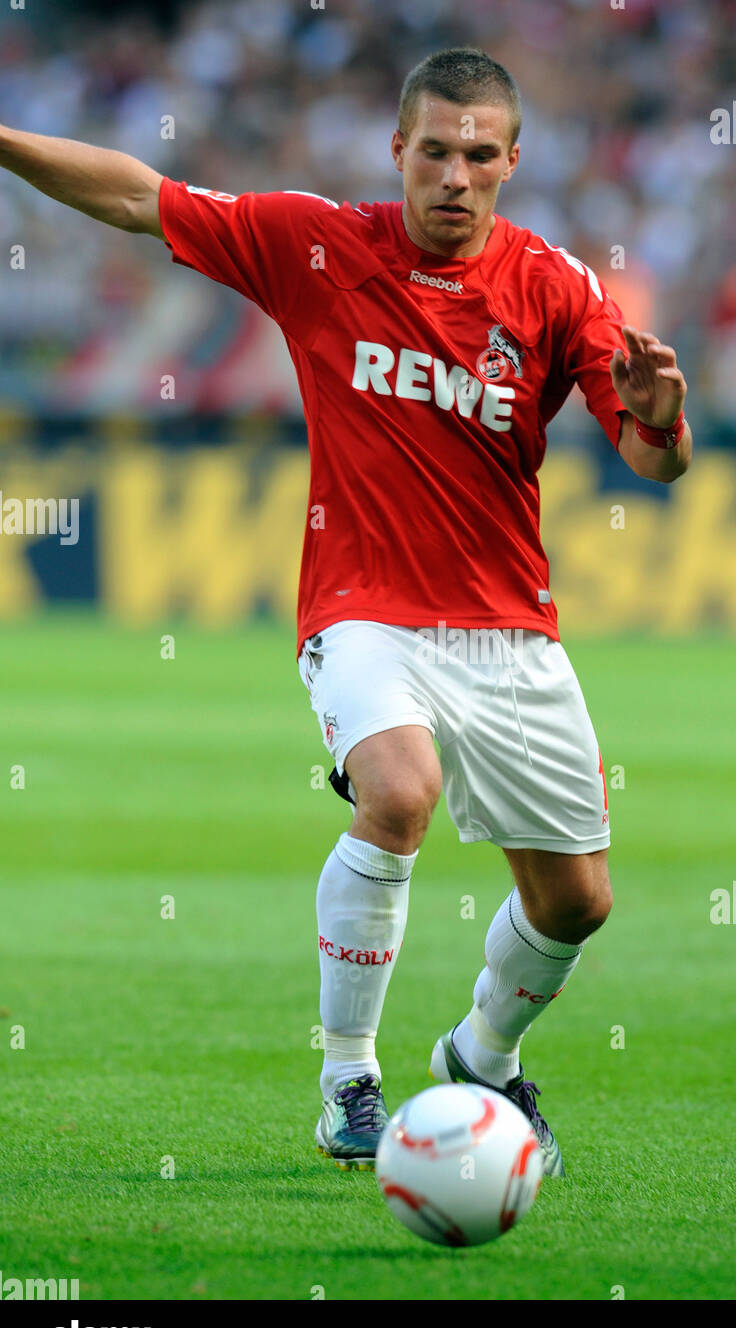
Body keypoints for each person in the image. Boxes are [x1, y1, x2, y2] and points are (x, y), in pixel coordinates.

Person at [0, 47, 691, 1177]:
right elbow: (138, 195)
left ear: (512, 161)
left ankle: (480, 1054)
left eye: (479, 155)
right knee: (399, 791)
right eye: (434, 152)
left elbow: (655, 462)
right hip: (361, 607)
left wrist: (665, 419)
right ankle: (349, 1082)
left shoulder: (558, 288)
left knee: (575, 904)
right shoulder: (315, 243)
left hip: (507, 630)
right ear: (397, 152)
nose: (454, 177)